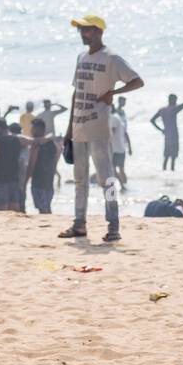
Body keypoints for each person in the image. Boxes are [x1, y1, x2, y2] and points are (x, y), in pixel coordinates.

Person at [60, 14, 144, 242]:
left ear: (99, 31)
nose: (82, 33)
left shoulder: (112, 58)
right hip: (78, 128)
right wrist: (68, 131)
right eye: (81, 30)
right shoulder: (81, 57)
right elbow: (76, 94)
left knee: (106, 179)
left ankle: (113, 226)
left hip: (98, 128)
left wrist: (113, 93)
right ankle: (79, 224)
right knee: (79, 180)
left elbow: (137, 81)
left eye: (86, 29)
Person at [26, 118, 58, 214]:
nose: (31, 131)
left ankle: (48, 226)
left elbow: (31, 164)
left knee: (42, 209)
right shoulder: (52, 144)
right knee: (47, 206)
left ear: (39, 129)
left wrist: (25, 181)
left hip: (38, 181)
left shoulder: (36, 145)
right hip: (49, 181)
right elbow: (55, 160)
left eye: (33, 128)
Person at [108, 109, 131, 189]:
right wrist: (129, 147)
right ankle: (125, 185)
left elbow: (112, 134)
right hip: (121, 149)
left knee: (113, 169)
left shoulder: (113, 118)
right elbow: (126, 134)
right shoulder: (119, 119)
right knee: (121, 169)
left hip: (115, 149)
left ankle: (122, 185)